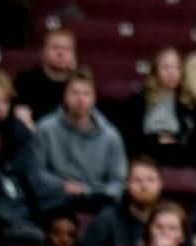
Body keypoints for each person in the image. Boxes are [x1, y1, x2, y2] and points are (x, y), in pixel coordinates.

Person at [33, 68, 129, 211]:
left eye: (86, 93)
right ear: (65, 95)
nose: (80, 99)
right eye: (75, 93)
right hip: (55, 200)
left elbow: (118, 183)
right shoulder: (45, 129)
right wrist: (62, 186)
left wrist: (89, 191)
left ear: (94, 98)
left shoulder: (111, 137)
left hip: (97, 203)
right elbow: (36, 172)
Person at [80, 155, 165, 246]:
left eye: (150, 180)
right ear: (127, 184)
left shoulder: (172, 221)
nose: (144, 186)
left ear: (161, 184)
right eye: (137, 180)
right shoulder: (107, 219)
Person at [123, 47, 196, 165]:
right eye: (166, 67)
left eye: (176, 67)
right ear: (155, 70)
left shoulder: (188, 102)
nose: (171, 72)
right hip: (147, 154)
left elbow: (192, 139)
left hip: (178, 155)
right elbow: (132, 137)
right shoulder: (139, 100)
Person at [13, 27, 78, 128]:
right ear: (42, 52)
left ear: (74, 55)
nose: (61, 53)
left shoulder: (80, 85)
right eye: (55, 48)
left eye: (66, 49)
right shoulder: (25, 81)